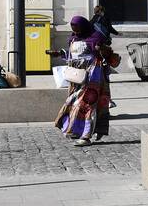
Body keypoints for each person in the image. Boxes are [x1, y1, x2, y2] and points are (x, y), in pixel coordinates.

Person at [47, 16, 113, 146]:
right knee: (72, 103)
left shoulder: (97, 37)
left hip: (93, 78)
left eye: (77, 29)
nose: (75, 32)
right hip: (76, 78)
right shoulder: (73, 38)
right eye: (73, 29)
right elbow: (72, 55)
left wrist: (101, 50)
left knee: (86, 106)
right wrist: (59, 53)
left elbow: (106, 54)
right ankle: (75, 130)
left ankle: (86, 136)